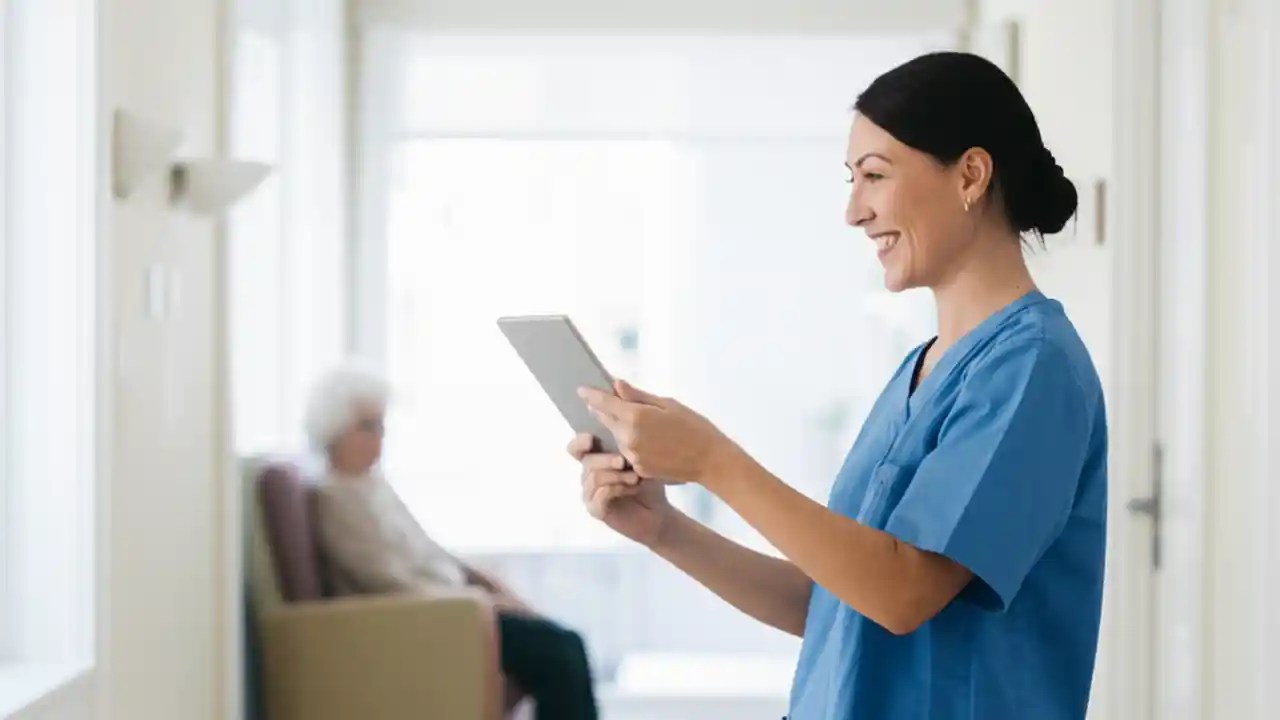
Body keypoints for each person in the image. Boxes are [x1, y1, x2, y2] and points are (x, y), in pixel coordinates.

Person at [568, 52, 1106, 720]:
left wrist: (711, 459)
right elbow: (832, 602)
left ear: (970, 174)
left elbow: (901, 593)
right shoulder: (921, 369)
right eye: (851, 180)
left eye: (874, 176)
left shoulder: (1031, 370)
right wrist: (664, 530)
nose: (854, 211)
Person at [307, 364, 598, 720]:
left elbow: (431, 550)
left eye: (381, 426)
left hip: (459, 608)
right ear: (333, 430)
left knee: (564, 642)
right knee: (561, 651)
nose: (378, 439)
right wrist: (481, 603)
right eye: (367, 427)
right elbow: (385, 581)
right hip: (431, 622)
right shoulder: (336, 498)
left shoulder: (374, 488)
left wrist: (492, 586)